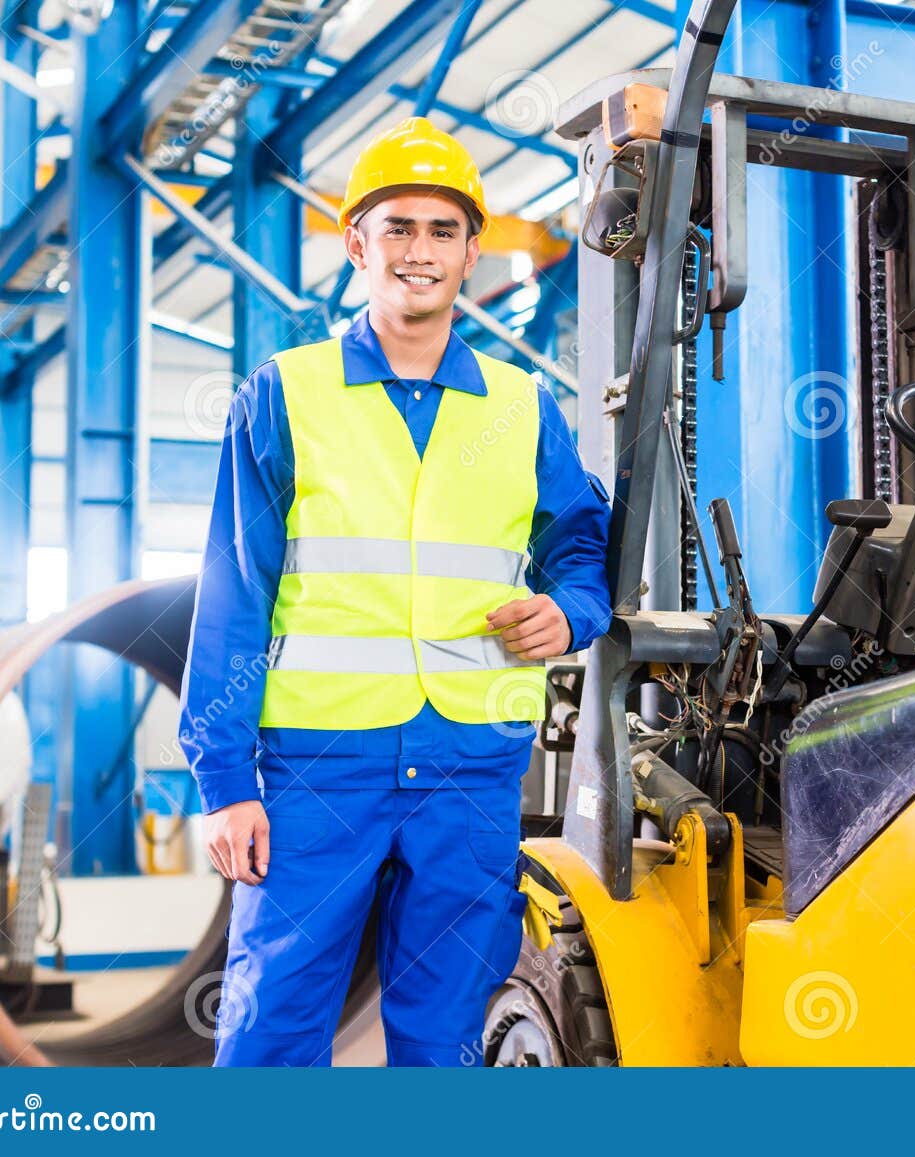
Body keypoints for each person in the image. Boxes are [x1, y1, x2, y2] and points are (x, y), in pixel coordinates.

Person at [177, 117, 611, 1067]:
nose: (421, 250)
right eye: (398, 227)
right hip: (318, 768)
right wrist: (224, 781)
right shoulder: (286, 395)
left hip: (471, 768)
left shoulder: (521, 405)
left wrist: (569, 611)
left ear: (470, 251)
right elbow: (234, 589)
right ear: (356, 244)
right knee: (268, 1026)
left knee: (448, 1035)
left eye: (443, 230)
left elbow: (580, 545)